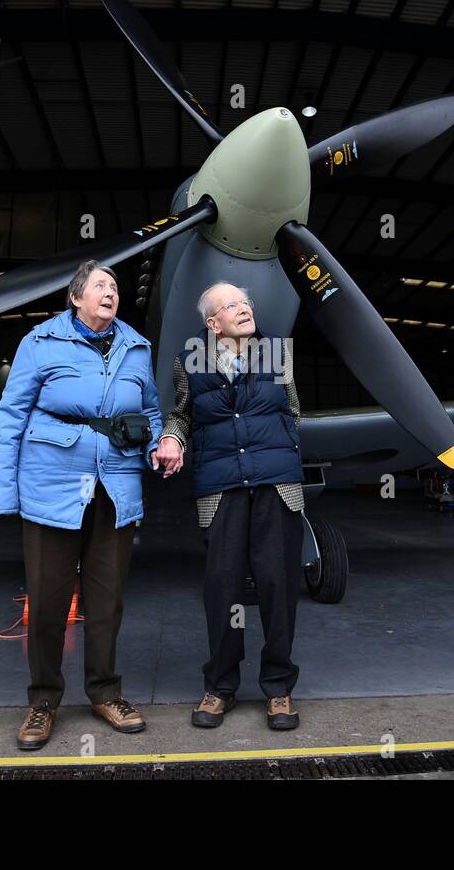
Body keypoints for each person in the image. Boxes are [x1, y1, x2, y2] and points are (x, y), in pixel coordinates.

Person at [0, 260, 164, 750]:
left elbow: (149, 410)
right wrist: (1, 495)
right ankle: (42, 701)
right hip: (51, 489)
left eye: (115, 288)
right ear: (76, 298)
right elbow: (11, 417)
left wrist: (160, 443)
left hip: (115, 489)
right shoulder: (40, 343)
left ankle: (105, 692)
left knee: (108, 601)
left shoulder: (136, 347)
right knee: (47, 603)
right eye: (101, 286)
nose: (111, 293)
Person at [155, 282, 305, 731]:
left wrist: (281, 455)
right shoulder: (189, 362)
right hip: (221, 489)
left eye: (246, 302)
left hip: (276, 486)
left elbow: (293, 411)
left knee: (279, 586)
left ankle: (278, 689)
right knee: (222, 589)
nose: (244, 309)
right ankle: (220, 686)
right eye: (232, 305)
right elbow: (182, 413)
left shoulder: (279, 354)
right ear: (212, 322)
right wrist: (172, 437)